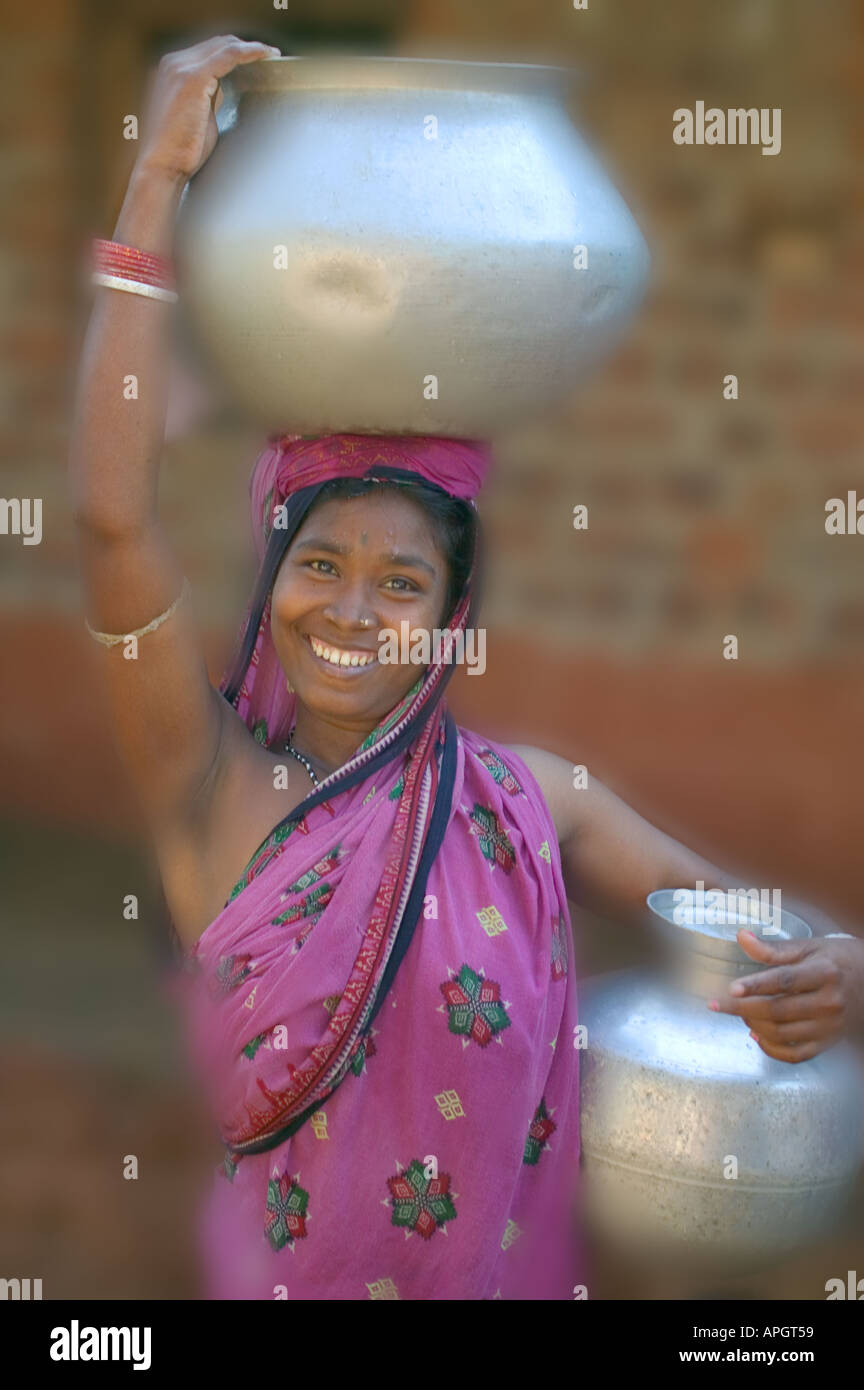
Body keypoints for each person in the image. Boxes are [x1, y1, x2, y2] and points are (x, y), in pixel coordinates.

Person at [70, 36, 864, 1300]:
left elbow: (756, 934)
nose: (350, 609)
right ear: (268, 583)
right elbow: (115, 521)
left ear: (452, 619)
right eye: (319, 564)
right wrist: (157, 178)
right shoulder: (213, 785)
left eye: (402, 584)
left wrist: (835, 969)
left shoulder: (529, 801)